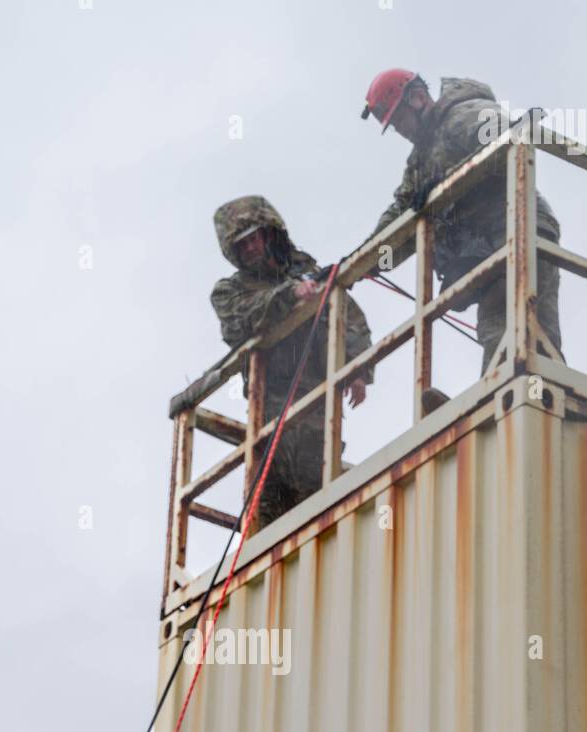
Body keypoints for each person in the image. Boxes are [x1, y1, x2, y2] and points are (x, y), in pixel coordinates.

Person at [362, 70, 564, 380]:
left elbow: (510, 142)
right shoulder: (421, 160)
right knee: (516, 331)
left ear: (417, 98)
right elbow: (403, 214)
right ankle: (524, 403)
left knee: (514, 328)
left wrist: (447, 182)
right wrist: (366, 260)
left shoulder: (464, 114)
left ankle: (508, 408)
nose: (400, 130)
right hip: (494, 245)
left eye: (399, 119)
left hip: (519, 228)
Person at [211, 196, 374, 529]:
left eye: (255, 237)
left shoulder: (308, 271)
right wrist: (290, 296)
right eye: (242, 245)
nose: (251, 247)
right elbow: (240, 321)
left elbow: (349, 317)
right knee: (268, 507)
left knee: (317, 503)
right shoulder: (230, 290)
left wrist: (358, 369)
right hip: (269, 411)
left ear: (271, 234)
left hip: (317, 403)